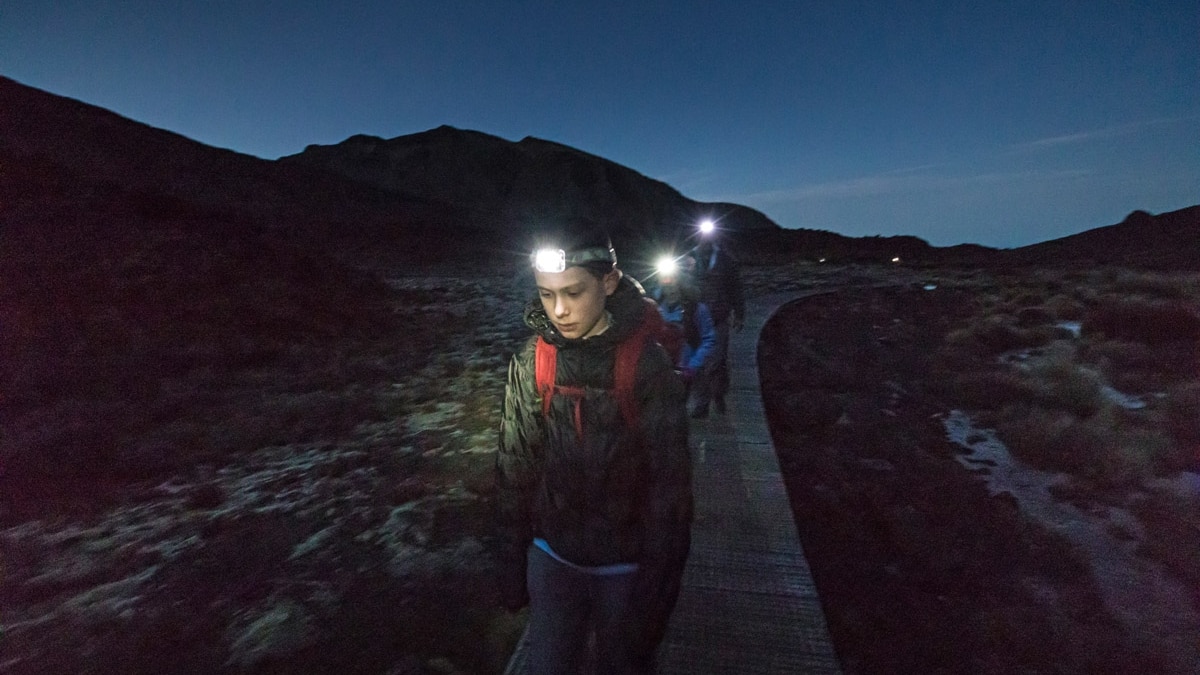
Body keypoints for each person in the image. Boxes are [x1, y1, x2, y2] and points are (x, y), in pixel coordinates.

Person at [495, 218, 693, 674]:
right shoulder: (533, 359)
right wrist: (509, 562)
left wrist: (655, 596)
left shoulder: (646, 366)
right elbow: (514, 465)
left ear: (609, 281)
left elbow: (670, 491)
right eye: (547, 294)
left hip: (624, 567)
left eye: (573, 292)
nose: (559, 310)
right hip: (551, 555)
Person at [688, 230, 745, 418]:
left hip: (718, 317)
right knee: (697, 362)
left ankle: (719, 394)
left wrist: (739, 313)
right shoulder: (687, 258)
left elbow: (735, 287)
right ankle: (701, 404)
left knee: (717, 361)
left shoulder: (725, 260)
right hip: (694, 319)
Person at [653, 263, 716, 398]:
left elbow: (708, 339)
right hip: (658, 372)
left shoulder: (696, 309)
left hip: (684, 372)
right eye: (666, 286)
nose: (670, 290)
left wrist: (693, 365)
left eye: (674, 286)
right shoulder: (654, 308)